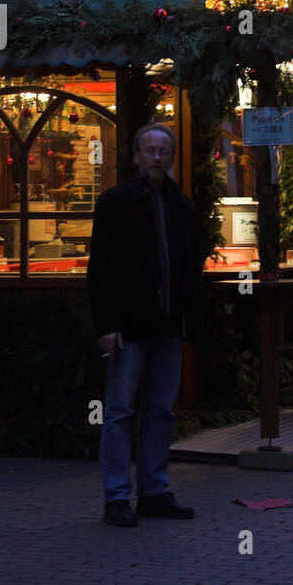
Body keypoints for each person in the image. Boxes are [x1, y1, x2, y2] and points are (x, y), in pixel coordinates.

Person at [89, 124, 201, 527]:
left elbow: (188, 264)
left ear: (171, 158)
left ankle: (153, 490)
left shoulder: (179, 203)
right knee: (120, 412)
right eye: (149, 151)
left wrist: (189, 317)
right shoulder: (116, 202)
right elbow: (100, 268)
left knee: (159, 411)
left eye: (163, 151)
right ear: (136, 156)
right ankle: (117, 496)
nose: (157, 157)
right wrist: (107, 322)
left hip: (167, 325)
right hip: (129, 327)